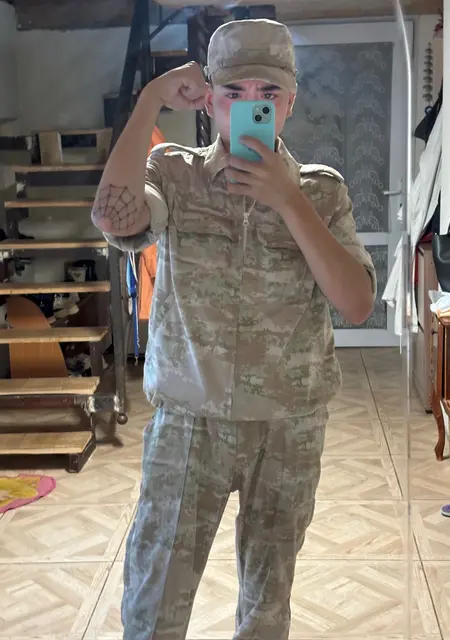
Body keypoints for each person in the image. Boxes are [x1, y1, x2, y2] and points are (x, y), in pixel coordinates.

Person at [92, 18, 376, 640]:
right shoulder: (175, 174)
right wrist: (150, 100)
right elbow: (114, 216)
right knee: (153, 601)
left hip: (288, 425)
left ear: (290, 102)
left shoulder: (321, 193)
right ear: (209, 101)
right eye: (234, 92)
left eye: (268, 94)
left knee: (267, 606)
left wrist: (289, 200)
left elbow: (356, 303)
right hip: (188, 425)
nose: (251, 106)